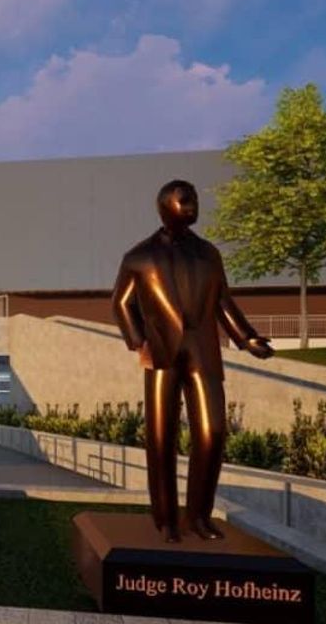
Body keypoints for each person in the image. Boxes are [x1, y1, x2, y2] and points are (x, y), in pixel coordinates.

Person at [111, 179, 273, 543]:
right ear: (164, 205)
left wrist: (247, 338)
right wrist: (139, 343)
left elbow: (222, 302)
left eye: (194, 200)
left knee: (213, 432)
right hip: (160, 354)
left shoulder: (208, 254)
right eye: (185, 200)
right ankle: (166, 518)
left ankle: (199, 516)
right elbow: (121, 304)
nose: (192, 206)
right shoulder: (139, 256)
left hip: (203, 350)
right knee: (160, 438)